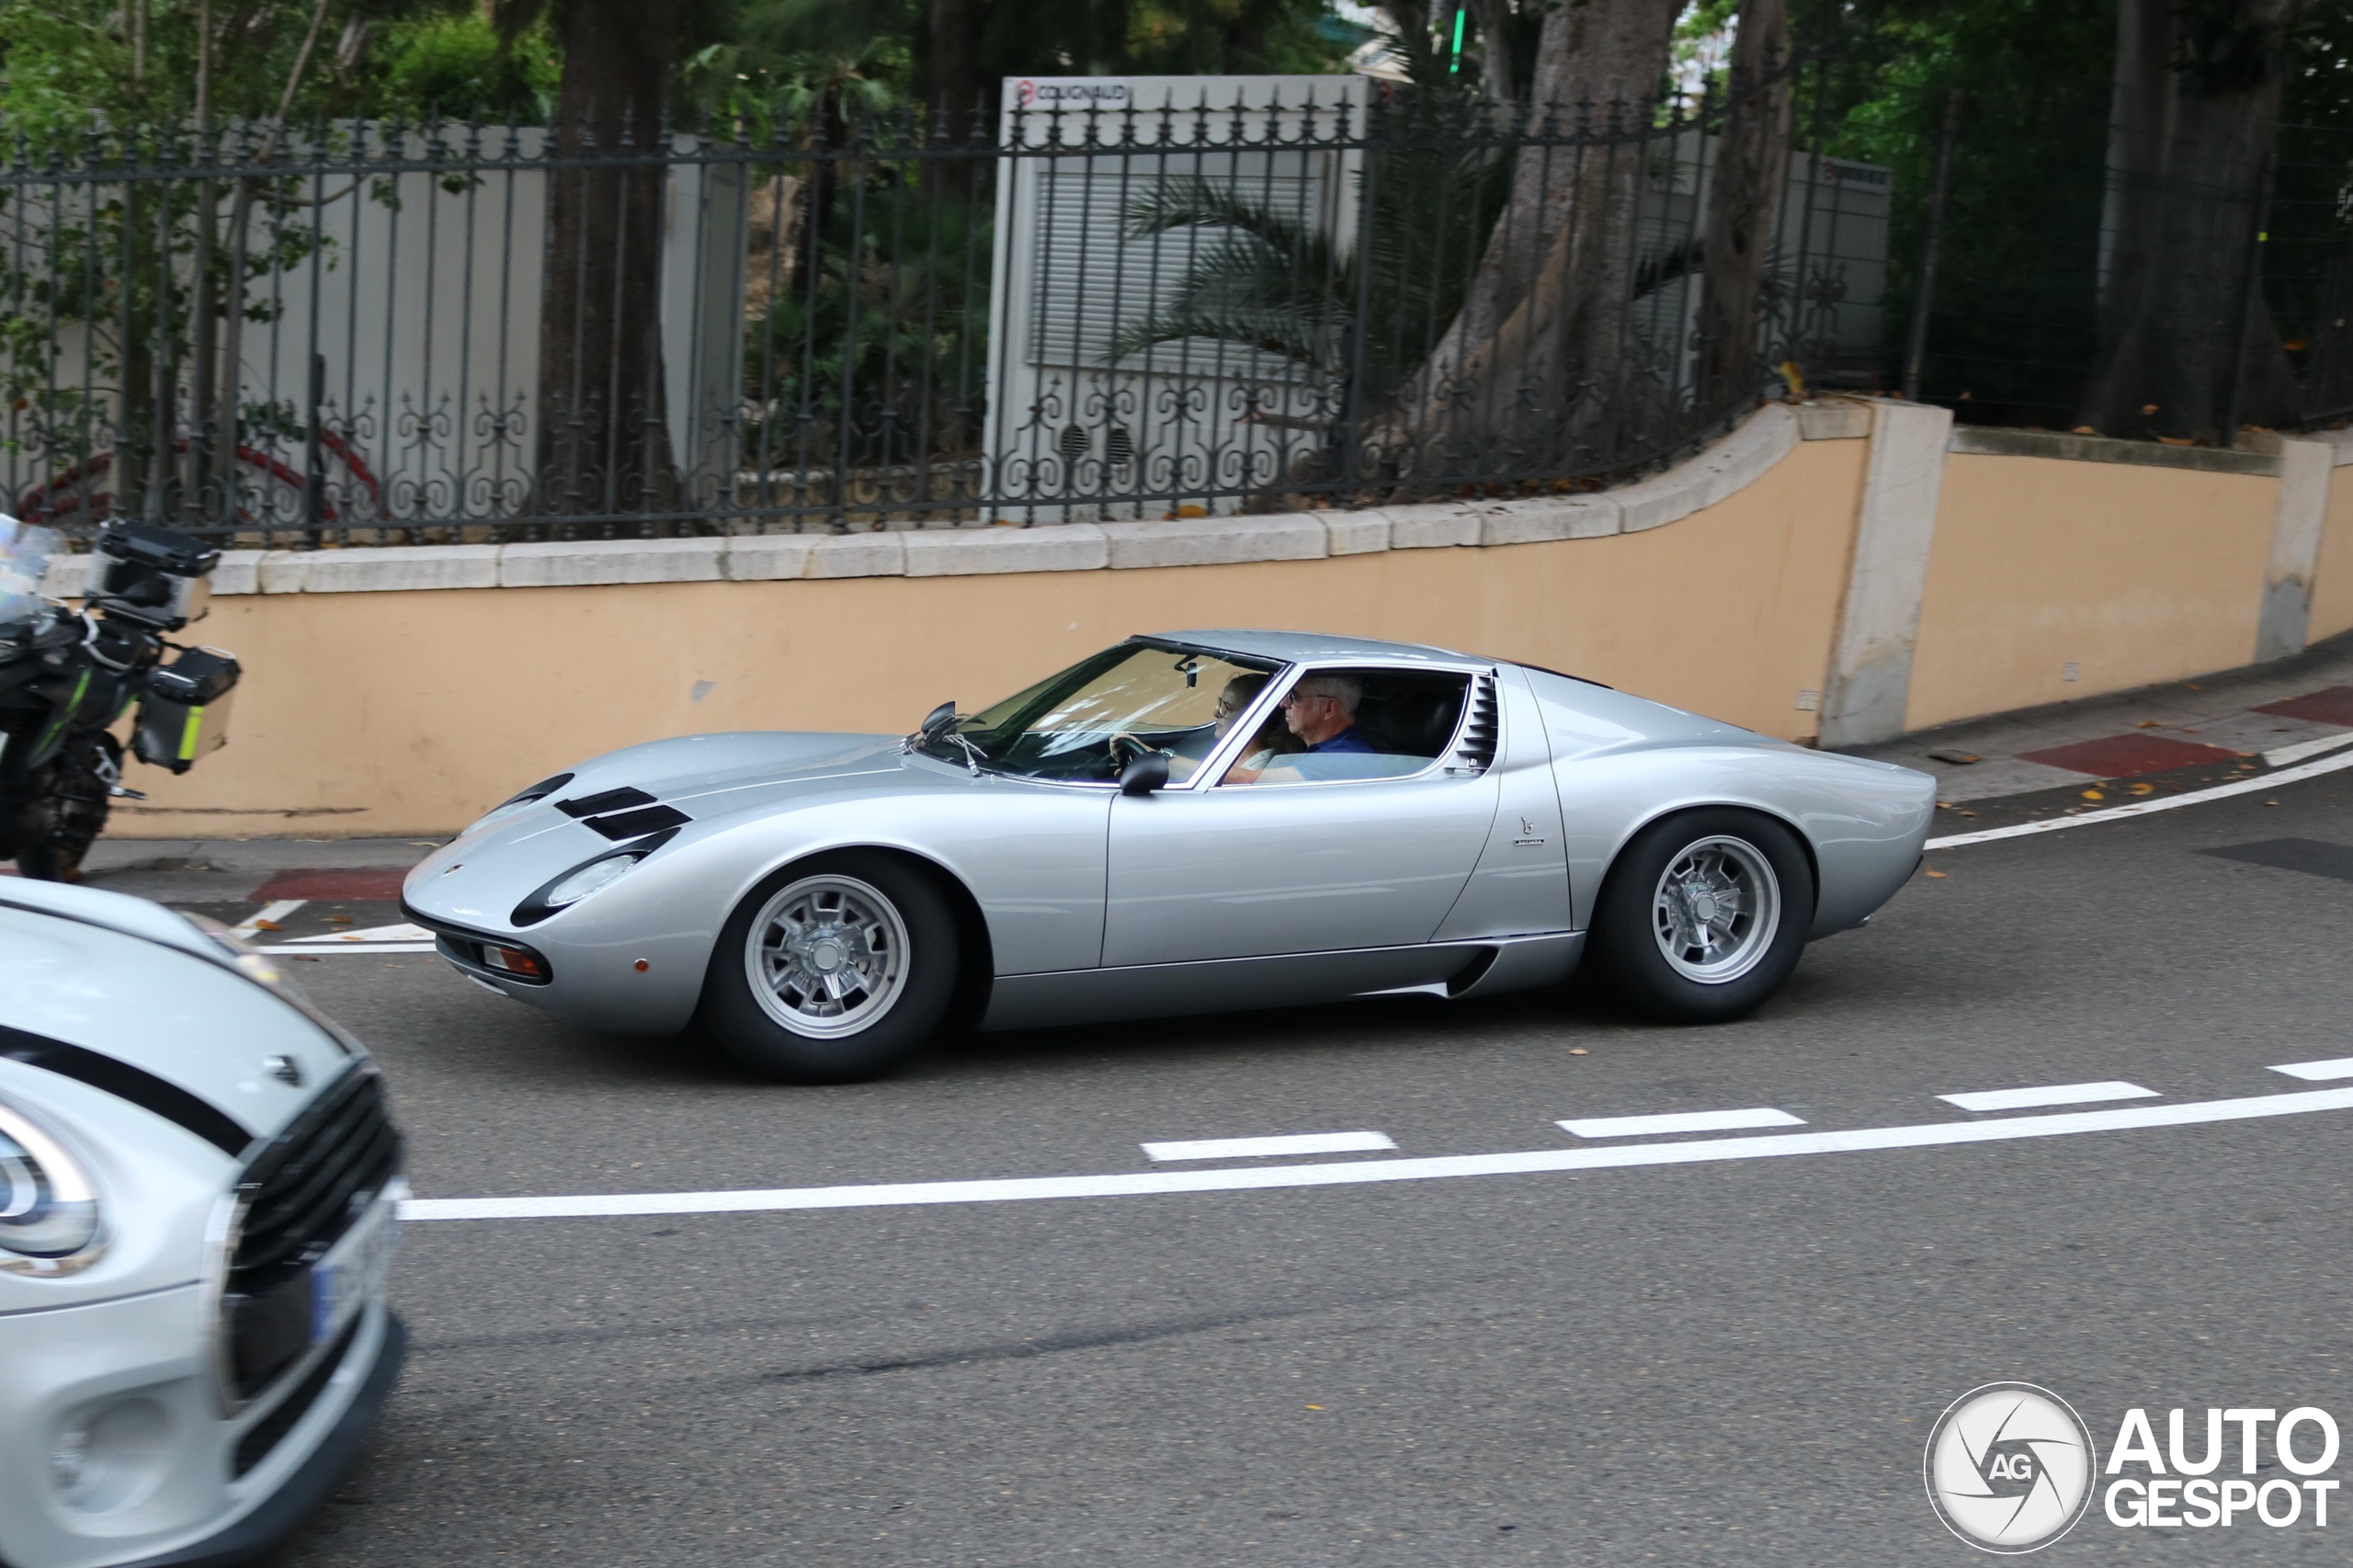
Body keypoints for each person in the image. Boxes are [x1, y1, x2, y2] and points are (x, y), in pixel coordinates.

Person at [1280, 674, 1374, 755]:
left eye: (1293, 696)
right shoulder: (1340, 750)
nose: (1283, 704)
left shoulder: (1341, 757)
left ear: (1329, 708)